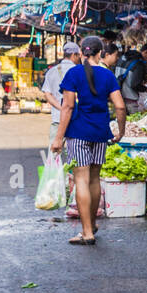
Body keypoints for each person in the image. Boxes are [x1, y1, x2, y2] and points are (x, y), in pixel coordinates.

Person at [51, 36, 126, 246]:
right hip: (100, 132)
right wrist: (121, 131)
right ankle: (91, 224)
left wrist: (58, 138)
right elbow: (120, 106)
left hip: (78, 133)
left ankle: (87, 232)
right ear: (100, 53)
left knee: (81, 180)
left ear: (82, 53)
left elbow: (67, 107)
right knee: (95, 179)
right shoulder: (107, 75)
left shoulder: (73, 73)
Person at [41, 42, 82, 146]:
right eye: (79, 56)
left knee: (54, 155)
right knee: (75, 156)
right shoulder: (80, 71)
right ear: (74, 55)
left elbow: (47, 94)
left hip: (57, 118)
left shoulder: (52, 71)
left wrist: (60, 108)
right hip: (76, 119)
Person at [119, 42, 147, 113]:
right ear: (146, 52)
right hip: (129, 99)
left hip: (119, 97)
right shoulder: (138, 64)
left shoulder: (125, 57)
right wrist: (146, 89)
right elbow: (135, 85)